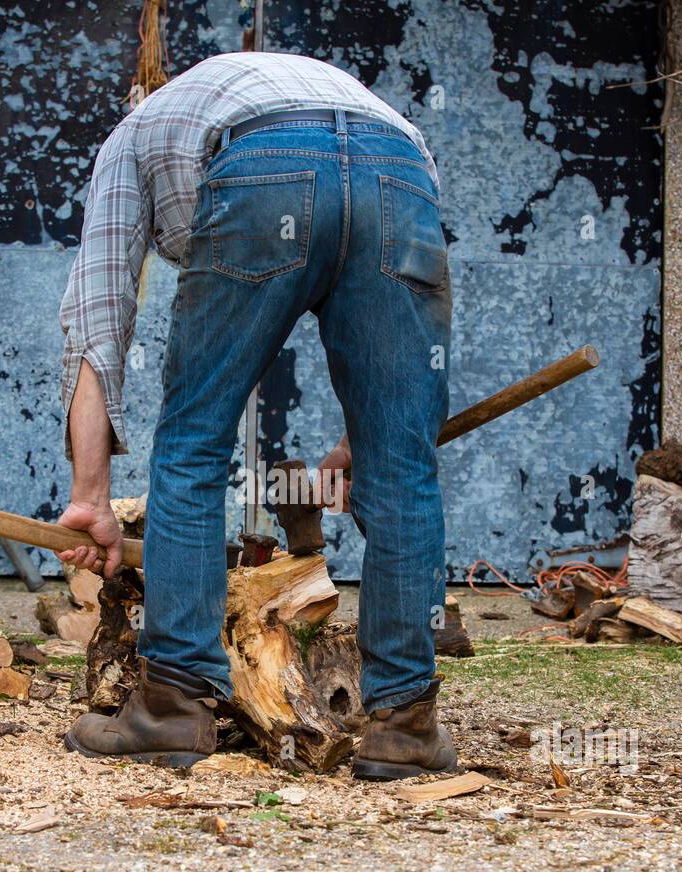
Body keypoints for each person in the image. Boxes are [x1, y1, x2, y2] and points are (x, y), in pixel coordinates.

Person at [56, 51, 454, 780]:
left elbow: (96, 319)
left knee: (193, 444)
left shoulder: (129, 139)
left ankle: (173, 704)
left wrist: (88, 497)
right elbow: (411, 371)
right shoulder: (346, 101)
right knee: (403, 464)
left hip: (264, 163)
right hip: (399, 169)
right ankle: (407, 726)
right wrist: (361, 441)